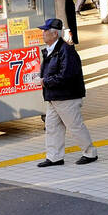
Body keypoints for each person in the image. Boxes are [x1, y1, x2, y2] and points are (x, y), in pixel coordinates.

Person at [37, 18, 97, 168]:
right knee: (52, 127)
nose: (43, 34)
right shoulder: (52, 50)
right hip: (54, 96)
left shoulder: (66, 51)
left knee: (75, 126)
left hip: (66, 96)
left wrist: (46, 81)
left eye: (45, 31)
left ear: (54, 34)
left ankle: (90, 153)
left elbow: (66, 76)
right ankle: (54, 157)